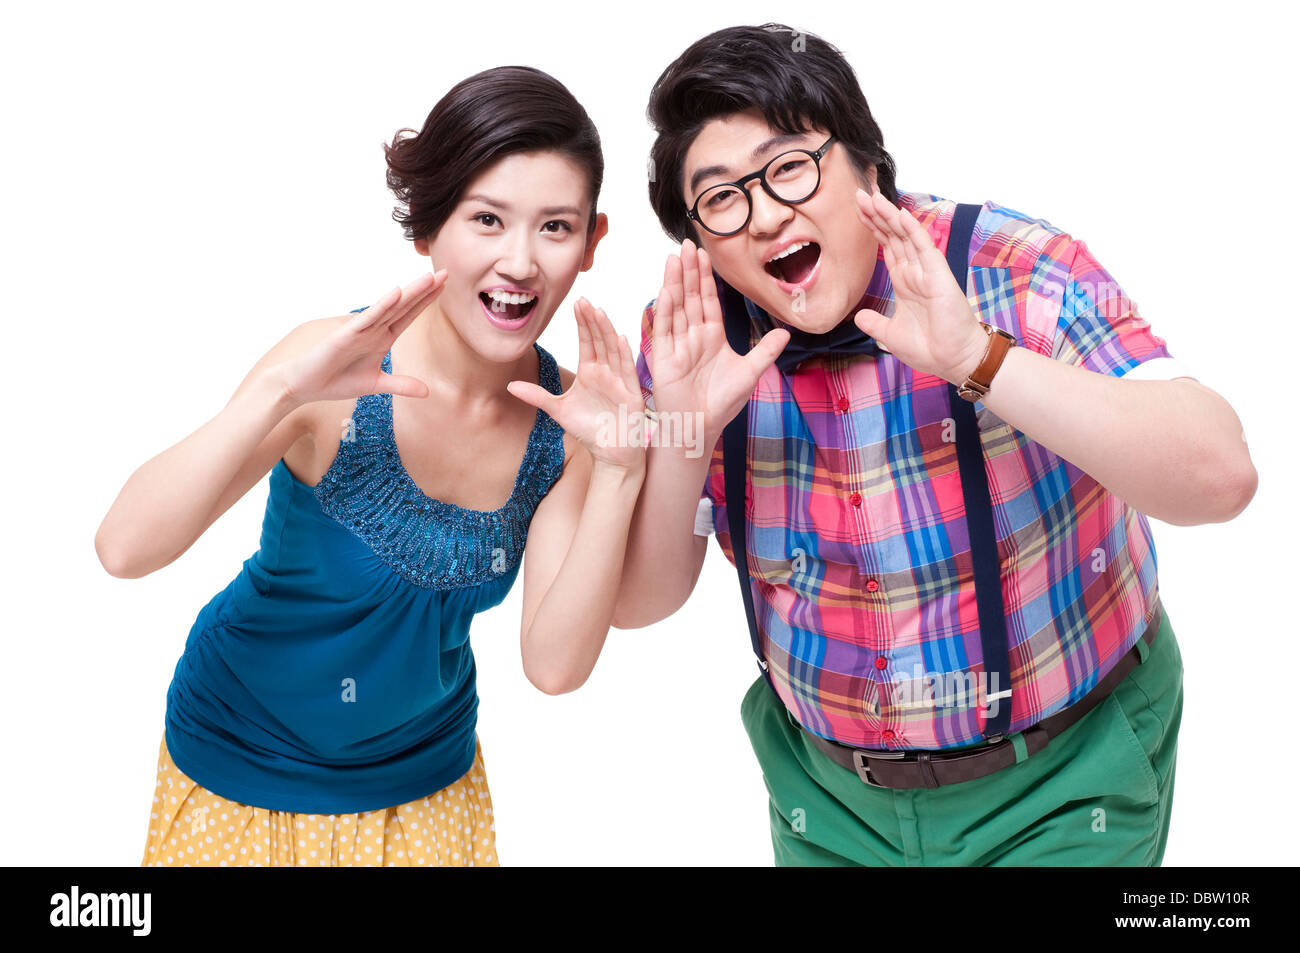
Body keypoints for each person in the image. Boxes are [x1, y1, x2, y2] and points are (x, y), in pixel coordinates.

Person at [615, 24, 1258, 866]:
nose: (766, 213)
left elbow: (1220, 479)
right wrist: (686, 432)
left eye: (790, 168)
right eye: (722, 197)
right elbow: (643, 600)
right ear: (698, 237)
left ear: (868, 167)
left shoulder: (1011, 269)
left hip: (1063, 781)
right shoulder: (692, 344)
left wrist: (976, 360)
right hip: (827, 799)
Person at [96, 65, 647, 867]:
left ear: (592, 242)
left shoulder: (569, 423)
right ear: (429, 230)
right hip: (240, 763)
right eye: (487, 219)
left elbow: (554, 667)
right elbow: (124, 548)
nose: (522, 262)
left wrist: (622, 469)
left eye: (555, 227)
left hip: (426, 785)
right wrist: (281, 393)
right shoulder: (332, 365)